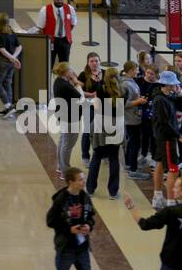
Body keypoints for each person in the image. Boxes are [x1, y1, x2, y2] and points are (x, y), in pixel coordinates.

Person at [47, 167, 96, 270]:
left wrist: (89, 226)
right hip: (66, 248)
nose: (83, 182)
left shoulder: (85, 197)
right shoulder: (60, 200)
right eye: (80, 180)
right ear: (70, 182)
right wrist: (69, 229)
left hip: (82, 247)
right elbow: (51, 221)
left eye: (84, 179)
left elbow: (91, 217)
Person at [151, 70, 182, 208]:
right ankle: (171, 200)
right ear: (168, 85)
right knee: (173, 169)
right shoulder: (160, 101)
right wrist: (179, 137)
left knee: (160, 164)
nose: (176, 86)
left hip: (163, 137)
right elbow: (165, 123)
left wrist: (180, 95)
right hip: (167, 139)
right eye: (174, 85)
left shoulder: (167, 96)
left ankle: (157, 197)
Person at [85, 67, 124, 199]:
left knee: (97, 155)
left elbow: (96, 107)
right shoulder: (123, 90)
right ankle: (113, 192)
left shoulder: (100, 88)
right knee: (114, 157)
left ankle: (90, 189)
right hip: (116, 124)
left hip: (101, 123)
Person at [52, 62, 82, 180]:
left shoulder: (58, 81)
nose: (73, 71)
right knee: (68, 144)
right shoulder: (65, 85)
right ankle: (65, 171)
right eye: (71, 69)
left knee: (63, 141)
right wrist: (76, 82)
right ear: (66, 72)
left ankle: (60, 166)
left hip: (64, 115)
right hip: (70, 117)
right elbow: (80, 96)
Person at [120, 62, 150, 179]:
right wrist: (138, 102)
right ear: (131, 70)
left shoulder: (130, 82)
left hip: (132, 117)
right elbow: (123, 103)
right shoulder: (126, 84)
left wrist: (138, 99)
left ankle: (128, 164)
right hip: (131, 119)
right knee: (134, 144)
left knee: (131, 143)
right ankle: (133, 170)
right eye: (136, 70)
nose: (138, 72)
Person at [33, 0, 77, 64]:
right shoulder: (45, 9)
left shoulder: (70, 8)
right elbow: (40, 28)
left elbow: (73, 24)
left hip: (65, 41)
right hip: (51, 41)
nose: (59, 1)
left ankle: (62, 76)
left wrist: (66, 33)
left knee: (64, 65)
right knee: (49, 63)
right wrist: (46, 41)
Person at [0, 13, 22, 118]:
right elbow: (19, 47)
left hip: (1, 62)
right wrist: (14, 58)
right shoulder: (11, 33)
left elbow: (2, 50)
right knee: (7, 83)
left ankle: (8, 105)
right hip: (11, 63)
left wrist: (11, 58)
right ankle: (9, 108)